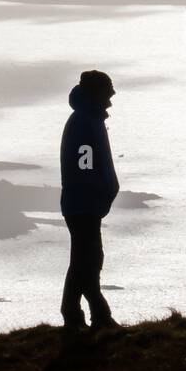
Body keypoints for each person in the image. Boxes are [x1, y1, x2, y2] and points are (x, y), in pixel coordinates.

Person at [59, 70, 120, 330]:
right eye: (108, 89)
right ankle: (93, 313)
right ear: (96, 92)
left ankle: (79, 314)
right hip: (83, 204)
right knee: (88, 259)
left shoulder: (89, 119)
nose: (112, 94)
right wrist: (96, 192)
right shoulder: (85, 122)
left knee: (87, 259)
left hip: (84, 203)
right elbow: (85, 165)